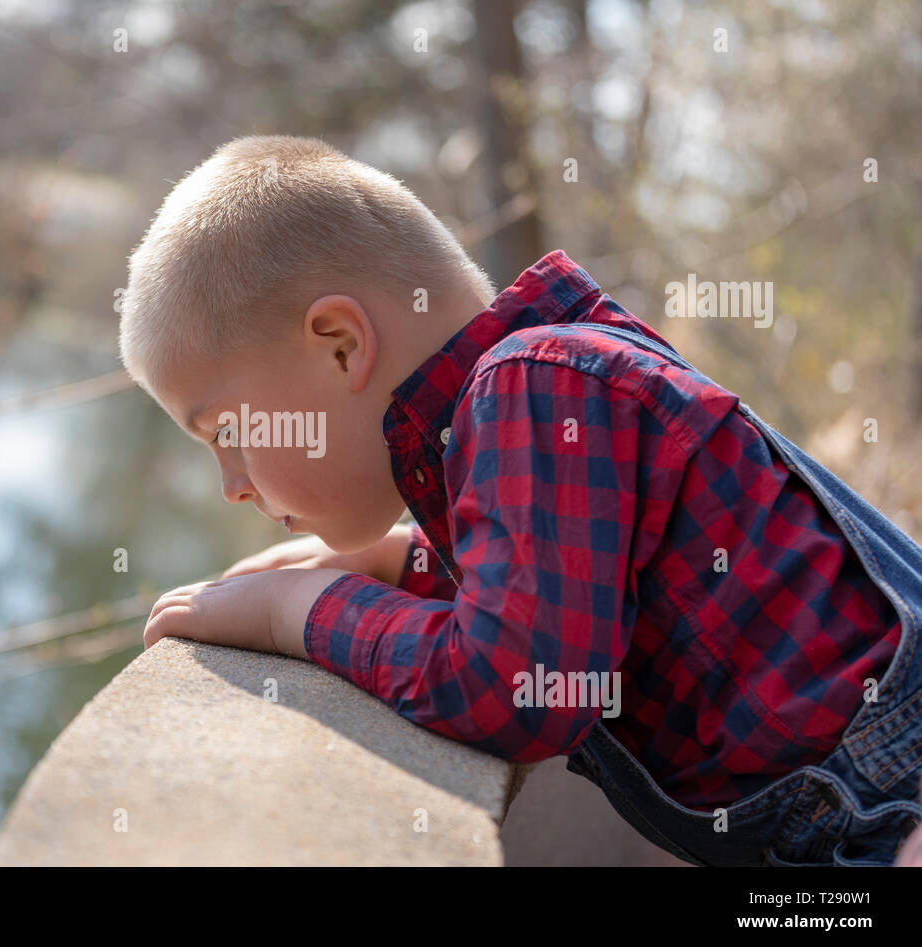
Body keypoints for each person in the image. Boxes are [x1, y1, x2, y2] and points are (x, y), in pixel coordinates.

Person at [119, 134, 922, 866]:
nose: (231, 484)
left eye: (229, 431)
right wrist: (401, 563)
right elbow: (549, 586)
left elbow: (512, 683)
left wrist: (292, 610)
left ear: (341, 346)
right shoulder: (546, 380)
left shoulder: (533, 385)